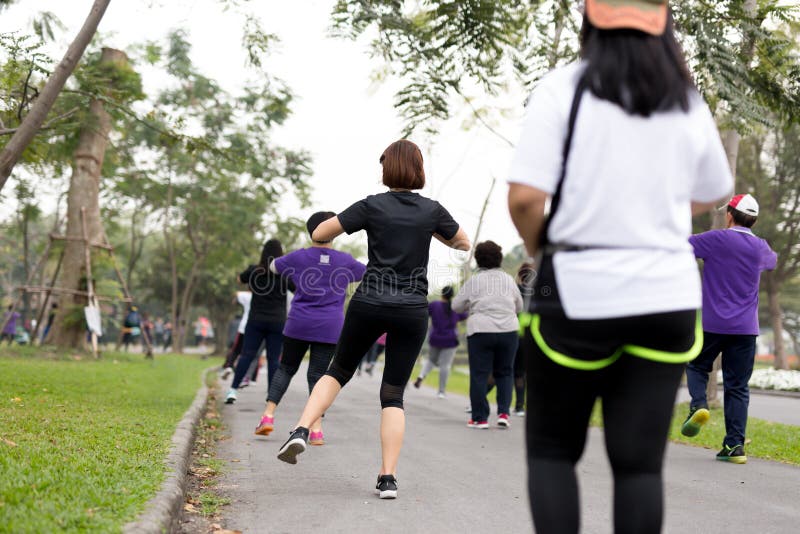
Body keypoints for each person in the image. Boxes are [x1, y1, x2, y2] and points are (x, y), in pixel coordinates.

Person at [506, 2, 733, 532]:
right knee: (639, 468)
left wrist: (544, 249)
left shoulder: (563, 88)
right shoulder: (684, 98)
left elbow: (524, 199)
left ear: (591, 19)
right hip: (666, 296)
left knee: (553, 453)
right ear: (662, 22)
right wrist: (651, 210)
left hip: (579, 290)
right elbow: (715, 188)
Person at [276, 139, 470, 500]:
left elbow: (319, 234)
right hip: (411, 308)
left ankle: (301, 429)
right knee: (393, 395)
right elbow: (463, 243)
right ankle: (387, 479)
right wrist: (427, 229)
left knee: (337, 370)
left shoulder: (371, 205)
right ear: (419, 170)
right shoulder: (431, 210)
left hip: (369, 301)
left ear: (387, 169)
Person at [254, 211, 366, 444]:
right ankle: (316, 429)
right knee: (318, 375)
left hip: (299, 324)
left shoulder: (299, 257)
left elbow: (273, 266)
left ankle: (267, 416)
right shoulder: (345, 261)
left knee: (286, 368)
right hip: (329, 327)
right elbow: (367, 273)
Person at [681, 194, 777, 464]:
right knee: (738, 386)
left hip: (713, 323)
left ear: (730, 215)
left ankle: (698, 405)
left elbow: (682, 245)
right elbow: (771, 262)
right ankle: (735, 446)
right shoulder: (761, 247)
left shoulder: (716, 239)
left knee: (696, 365)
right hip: (746, 328)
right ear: (753, 220)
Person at [452, 242, 522, 428]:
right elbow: (519, 306)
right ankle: (504, 414)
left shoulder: (475, 281)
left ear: (478, 260)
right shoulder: (509, 280)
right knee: (505, 372)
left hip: (481, 330)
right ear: (500, 258)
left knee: (479, 374)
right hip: (508, 331)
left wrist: (471, 306)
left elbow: (456, 306)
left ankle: (480, 418)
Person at [225, 239, 291, 404]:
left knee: (247, 355)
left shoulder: (254, 271)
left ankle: (232, 391)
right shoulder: (285, 274)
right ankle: (271, 397)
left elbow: (240, 279)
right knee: (273, 360)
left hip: (256, 321)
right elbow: (298, 289)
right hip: (277, 322)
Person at [413, 286, 467, 398]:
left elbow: (424, 312)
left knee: (431, 360)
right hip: (450, 340)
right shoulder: (455, 308)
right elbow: (465, 315)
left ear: (442, 293)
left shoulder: (434, 305)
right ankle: (441, 392)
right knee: (445, 365)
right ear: (452, 295)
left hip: (435, 338)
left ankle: (421, 376)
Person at [513, 263, 536, 416]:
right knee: (521, 372)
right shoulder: (537, 292)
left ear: (520, 275)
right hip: (529, 336)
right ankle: (520, 406)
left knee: (502, 369)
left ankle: (477, 402)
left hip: (512, 333)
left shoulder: (514, 290)